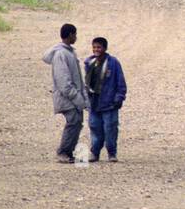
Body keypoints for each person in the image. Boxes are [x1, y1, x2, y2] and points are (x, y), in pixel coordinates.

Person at [43, 23, 87, 163]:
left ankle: (68, 152)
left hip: (71, 96)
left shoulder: (68, 52)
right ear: (70, 35)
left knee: (76, 122)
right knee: (73, 122)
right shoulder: (61, 54)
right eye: (75, 34)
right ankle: (63, 152)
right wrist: (77, 98)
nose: (76, 37)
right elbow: (64, 82)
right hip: (67, 97)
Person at [83, 36, 127, 162]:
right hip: (94, 103)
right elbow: (86, 84)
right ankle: (95, 153)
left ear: (105, 48)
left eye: (99, 47)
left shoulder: (113, 63)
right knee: (95, 128)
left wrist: (119, 98)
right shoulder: (89, 63)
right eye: (94, 47)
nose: (96, 49)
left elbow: (120, 82)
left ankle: (112, 153)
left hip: (109, 104)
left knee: (110, 129)